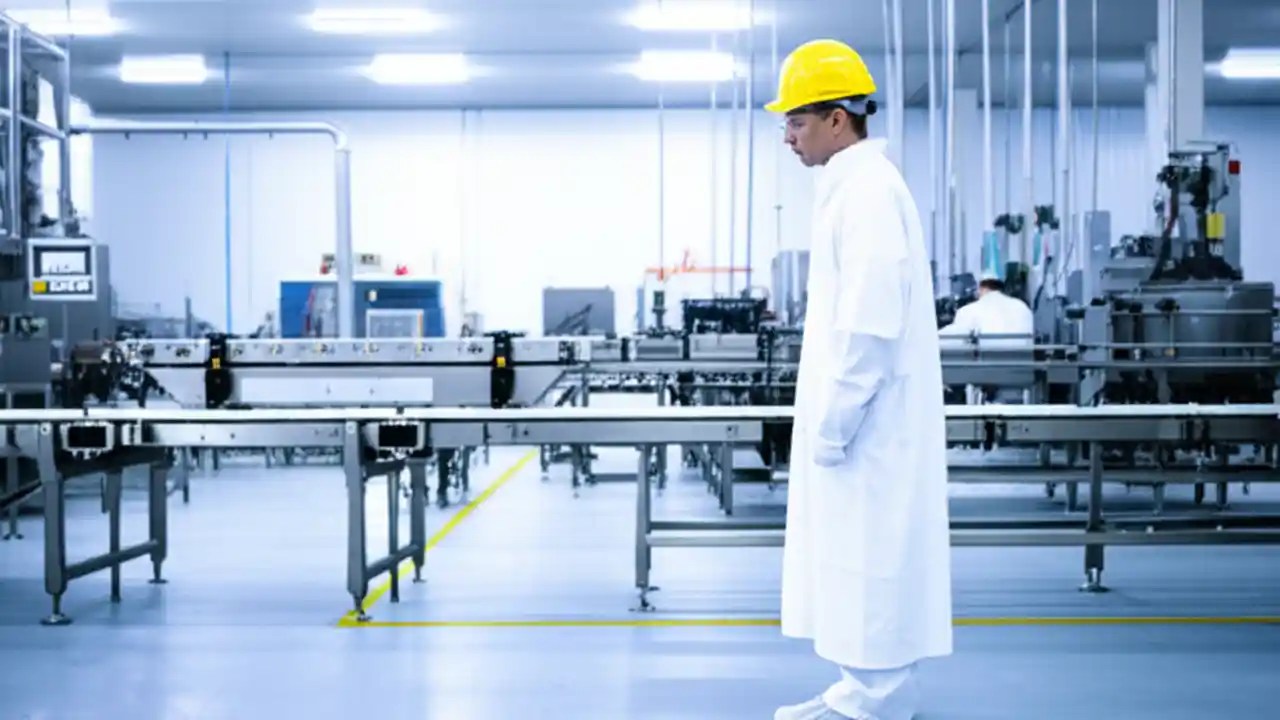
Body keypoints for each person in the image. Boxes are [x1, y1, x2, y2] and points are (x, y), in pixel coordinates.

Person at [765, 39, 953, 720]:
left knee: (872, 557)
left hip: (868, 424)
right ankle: (859, 688)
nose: (788, 136)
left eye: (796, 121)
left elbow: (868, 323)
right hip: (859, 421)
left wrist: (836, 418)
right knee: (852, 558)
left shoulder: (868, 193)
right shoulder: (850, 189)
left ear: (838, 118)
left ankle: (878, 700)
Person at [938, 274, 1034, 343]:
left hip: (987, 367)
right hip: (1024, 367)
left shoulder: (969, 310)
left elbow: (952, 339)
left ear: (981, 288)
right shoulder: (1022, 307)